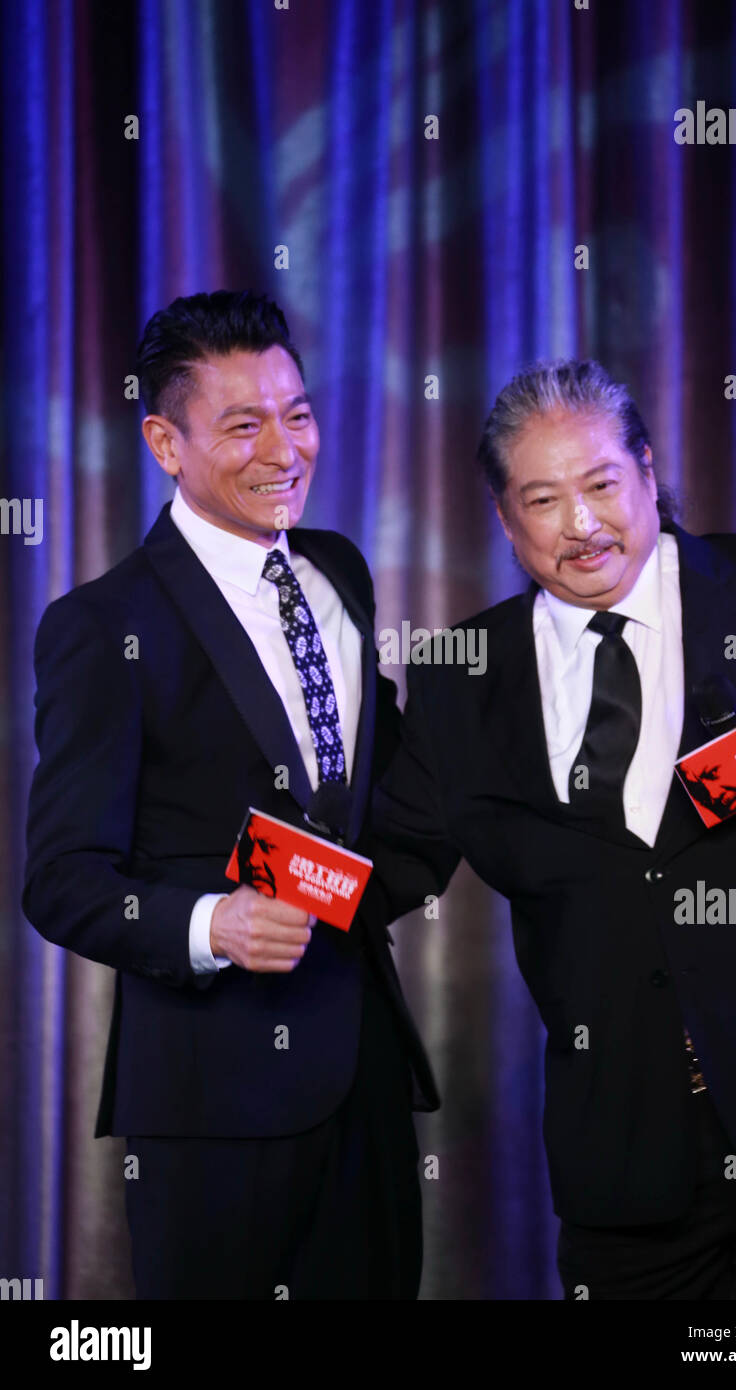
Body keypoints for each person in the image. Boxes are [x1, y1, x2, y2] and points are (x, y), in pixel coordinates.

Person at [372, 358, 736, 1300]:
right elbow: (390, 859)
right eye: (544, 499)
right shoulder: (460, 675)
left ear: (646, 469)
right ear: (508, 521)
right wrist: (223, 906)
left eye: (601, 483)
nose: (582, 524)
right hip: (627, 1167)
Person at [23, 289, 437, 1300]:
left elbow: (370, 774)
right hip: (214, 1094)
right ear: (165, 442)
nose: (283, 448)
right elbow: (62, 879)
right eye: (242, 424)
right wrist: (213, 922)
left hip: (367, 1071)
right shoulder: (102, 625)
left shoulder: (335, 566)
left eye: (295, 413)